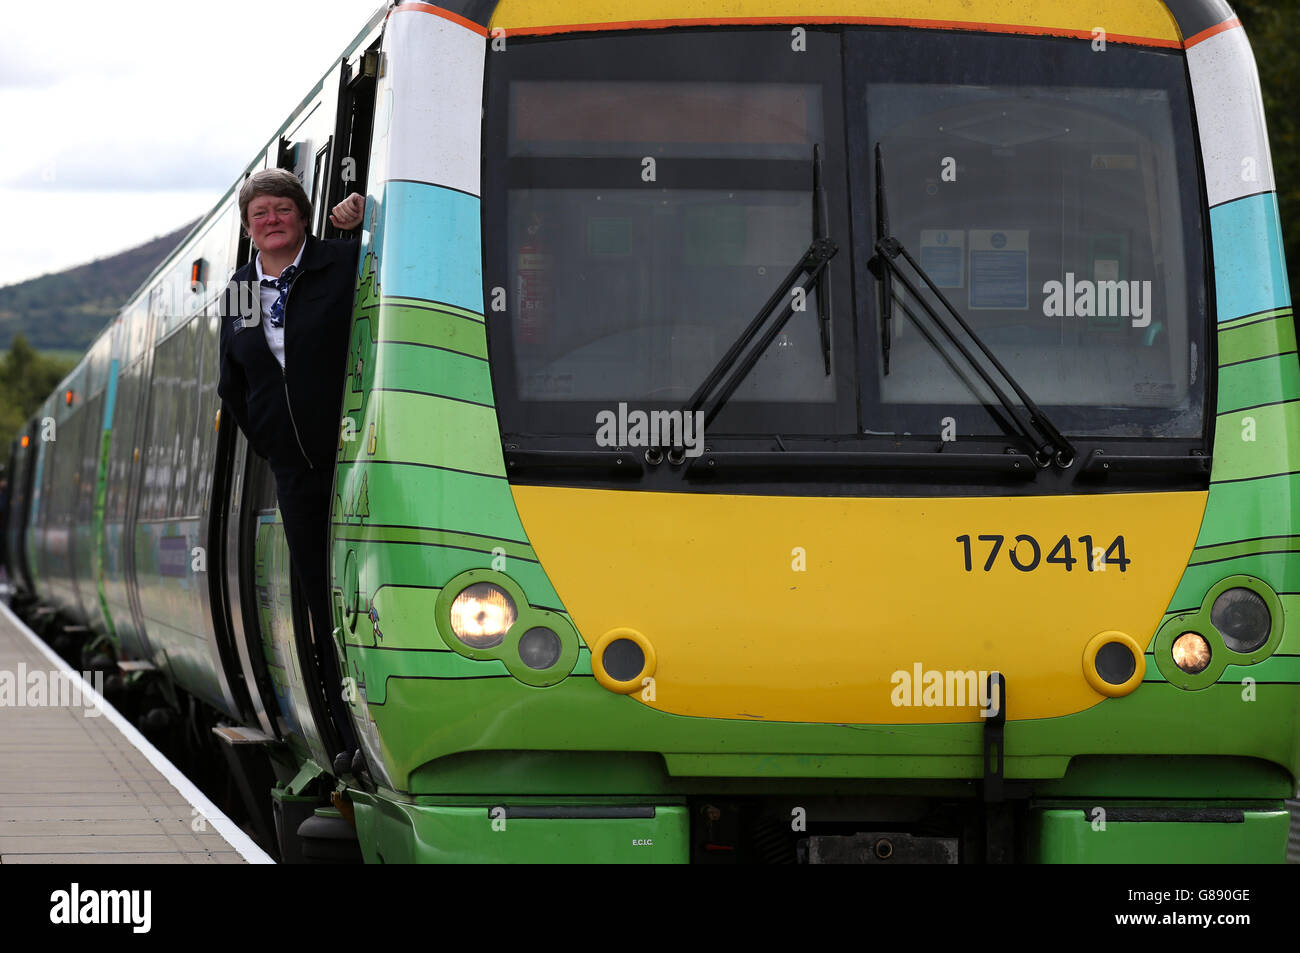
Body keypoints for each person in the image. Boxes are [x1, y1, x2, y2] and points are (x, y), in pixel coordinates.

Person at [217, 169, 365, 761]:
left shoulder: (342, 263)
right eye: (260, 215)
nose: (271, 221)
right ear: (249, 228)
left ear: (303, 215)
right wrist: (274, 442)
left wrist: (363, 224)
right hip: (294, 470)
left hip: (358, 454)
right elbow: (233, 383)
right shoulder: (240, 291)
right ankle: (347, 731)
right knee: (319, 594)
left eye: (281, 210)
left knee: (365, 587)